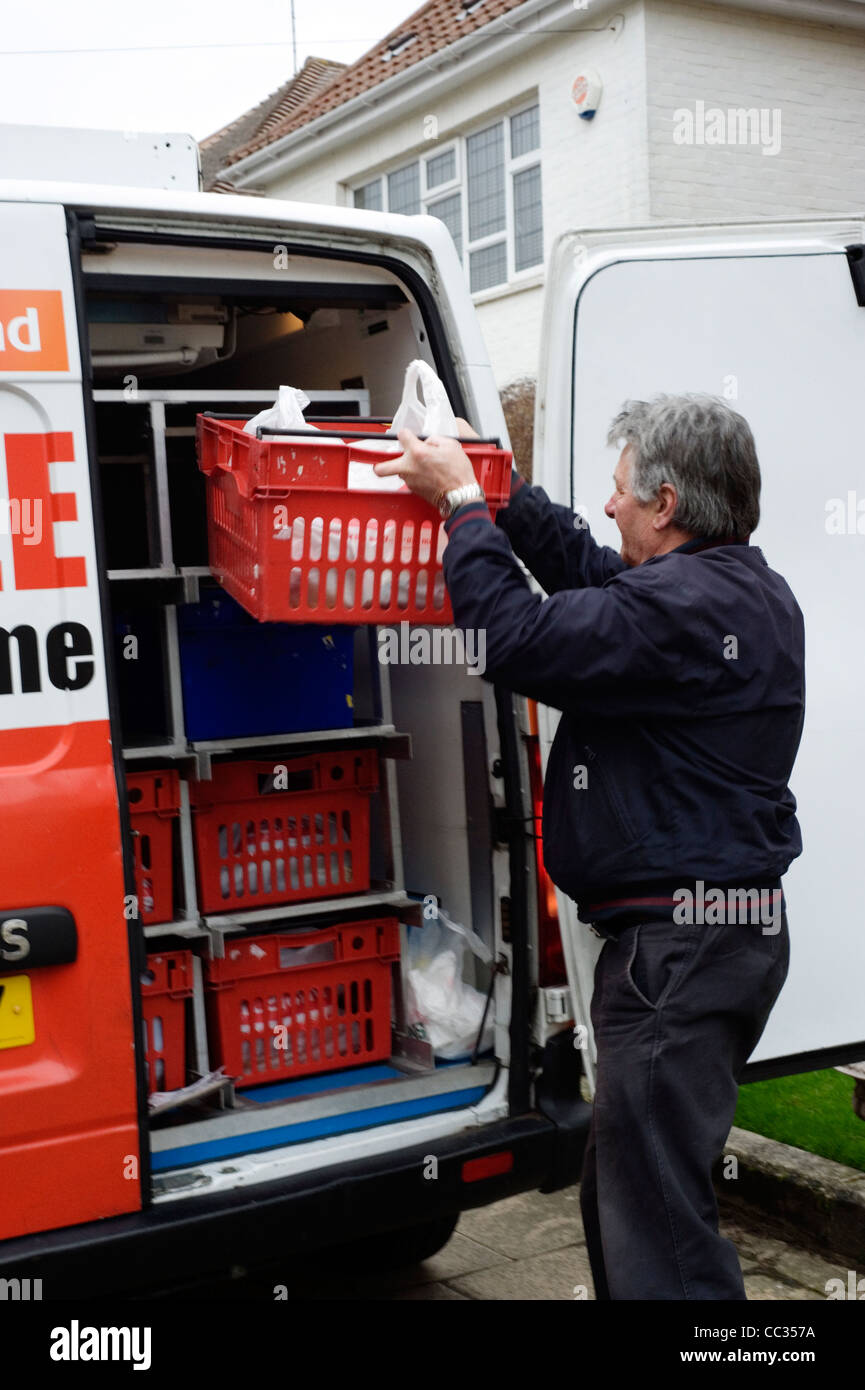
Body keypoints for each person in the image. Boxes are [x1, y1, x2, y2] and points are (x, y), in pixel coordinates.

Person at [374, 393, 805, 1301]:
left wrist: (461, 509)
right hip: (709, 946)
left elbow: (515, 638)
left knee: (661, 1237)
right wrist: (504, 492)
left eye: (618, 493)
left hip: (676, 961)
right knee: (632, 1199)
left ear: (667, 502)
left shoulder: (681, 608)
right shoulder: (743, 590)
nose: (607, 508)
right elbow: (602, 586)